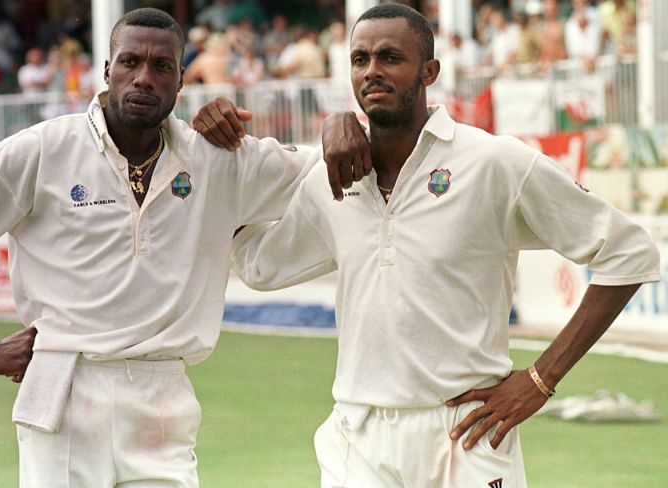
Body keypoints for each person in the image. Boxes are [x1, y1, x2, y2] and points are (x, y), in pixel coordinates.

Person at [0, 8, 363, 488]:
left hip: (163, 398)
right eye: (130, 62)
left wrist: (340, 121)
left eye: (162, 67)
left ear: (180, 80)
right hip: (63, 390)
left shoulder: (217, 160)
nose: (143, 78)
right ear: (107, 70)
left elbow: (332, 167)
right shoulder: (45, 148)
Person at [220, 4, 660, 486]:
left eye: (390, 57)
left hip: (465, 435)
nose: (372, 71)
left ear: (429, 71)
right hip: (358, 438)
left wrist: (540, 380)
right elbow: (259, 266)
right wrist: (215, 157)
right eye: (360, 59)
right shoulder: (334, 178)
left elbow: (629, 252)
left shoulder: (493, 162)